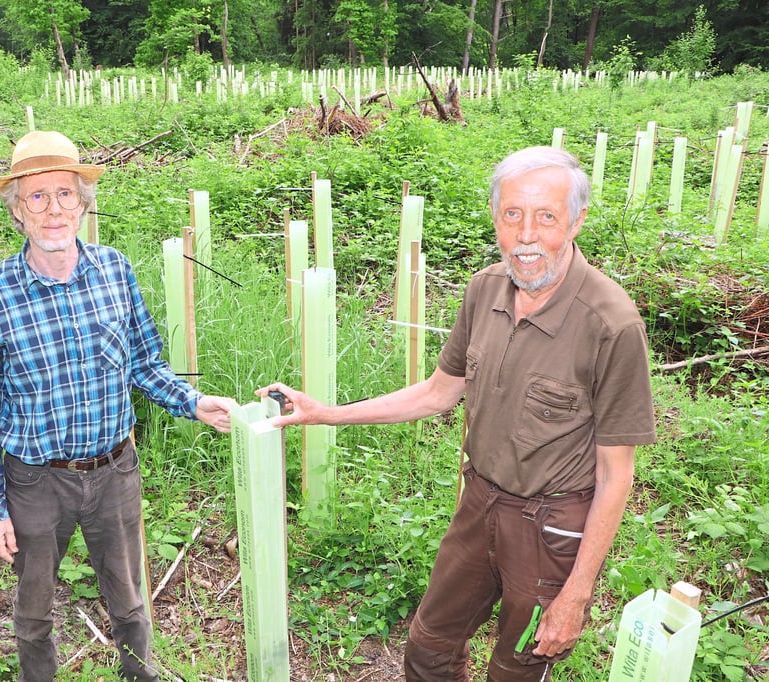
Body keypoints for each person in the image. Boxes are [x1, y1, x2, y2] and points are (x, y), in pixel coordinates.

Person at [259, 146, 656, 681]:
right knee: (429, 646)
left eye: (547, 217)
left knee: (516, 669)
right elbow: (437, 393)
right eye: (512, 214)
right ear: (496, 217)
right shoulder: (485, 288)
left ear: (577, 220)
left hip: (551, 525)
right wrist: (323, 413)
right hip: (479, 503)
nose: (527, 235)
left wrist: (576, 594)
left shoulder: (611, 324)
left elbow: (616, 473)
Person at [0, 130, 236, 682]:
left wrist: (195, 401)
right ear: (16, 211)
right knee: (34, 611)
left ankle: (139, 675)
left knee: (131, 602)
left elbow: (145, 363)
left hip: (114, 472)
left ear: (83, 203)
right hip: (36, 482)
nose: (53, 209)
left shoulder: (115, 269)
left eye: (64, 193)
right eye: (36, 197)